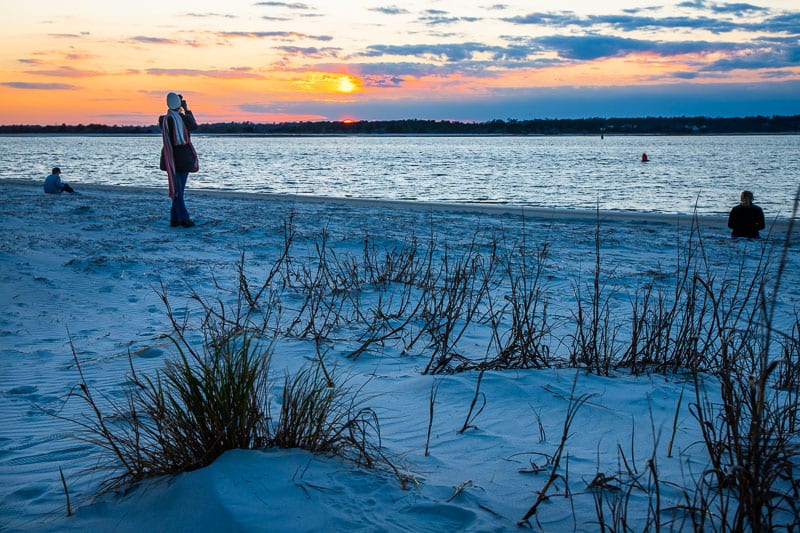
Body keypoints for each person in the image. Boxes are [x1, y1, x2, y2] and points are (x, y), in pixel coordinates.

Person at [159, 92, 199, 227]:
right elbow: (193, 125)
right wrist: (186, 109)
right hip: (182, 159)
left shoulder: (164, 119)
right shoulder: (182, 119)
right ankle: (184, 218)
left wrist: (180, 108)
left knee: (178, 191)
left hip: (170, 158)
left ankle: (174, 219)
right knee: (178, 191)